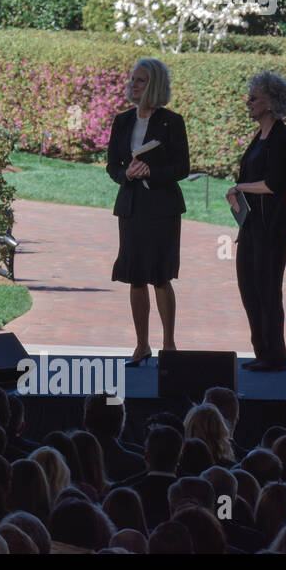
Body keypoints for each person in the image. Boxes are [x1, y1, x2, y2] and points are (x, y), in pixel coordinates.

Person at [106, 58, 190, 366]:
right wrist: (126, 174)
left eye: (140, 80)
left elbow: (182, 167)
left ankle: (169, 345)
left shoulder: (172, 121)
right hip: (131, 207)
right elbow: (112, 165)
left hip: (162, 209)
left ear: (154, 84)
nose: (133, 84)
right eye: (132, 79)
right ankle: (141, 345)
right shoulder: (122, 121)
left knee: (160, 276)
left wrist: (151, 171)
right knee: (135, 276)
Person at [226, 71, 286, 372]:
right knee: (249, 286)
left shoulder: (282, 138)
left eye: (254, 98)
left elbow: (275, 183)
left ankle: (274, 355)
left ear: (270, 103)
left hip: (273, 227)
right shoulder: (259, 137)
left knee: (267, 288)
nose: (248, 103)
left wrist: (240, 188)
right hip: (253, 225)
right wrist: (238, 193)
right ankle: (261, 350)